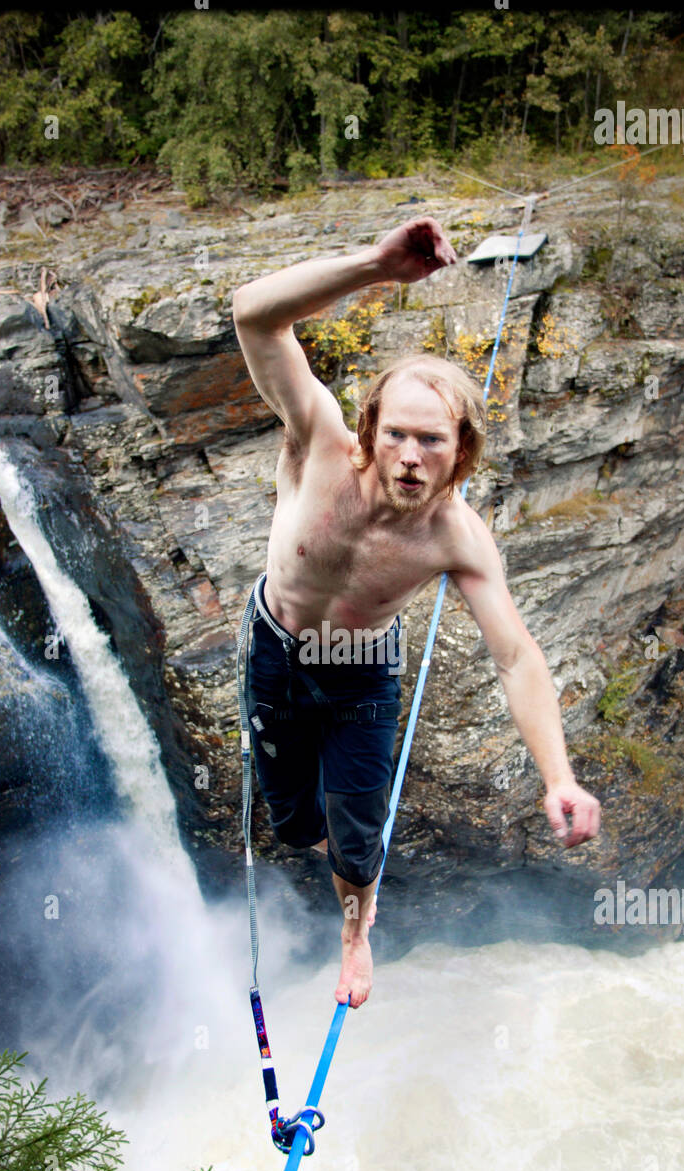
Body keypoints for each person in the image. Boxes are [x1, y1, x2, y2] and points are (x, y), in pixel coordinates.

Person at [233, 216, 600, 1010]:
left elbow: (516, 656)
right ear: (368, 429)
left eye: (429, 442)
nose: (407, 456)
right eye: (394, 434)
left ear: (460, 451)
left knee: (357, 838)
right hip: (273, 650)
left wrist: (557, 776)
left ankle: (355, 930)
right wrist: (375, 267)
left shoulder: (457, 538)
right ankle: (326, 845)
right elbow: (254, 314)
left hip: (360, 675)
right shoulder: (317, 445)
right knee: (296, 824)